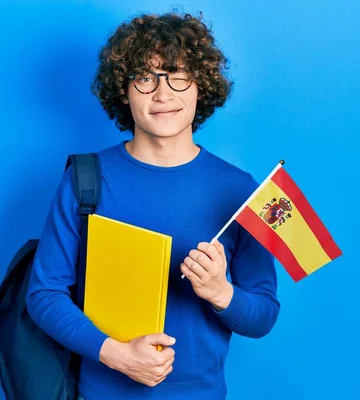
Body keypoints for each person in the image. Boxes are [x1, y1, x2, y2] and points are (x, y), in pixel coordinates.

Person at [26, 11, 280, 400]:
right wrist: (115, 355)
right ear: (123, 90)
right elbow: (44, 294)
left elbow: (263, 315)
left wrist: (220, 292)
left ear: (201, 86)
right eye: (145, 78)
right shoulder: (85, 178)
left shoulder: (240, 190)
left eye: (178, 75)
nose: (163, 94)